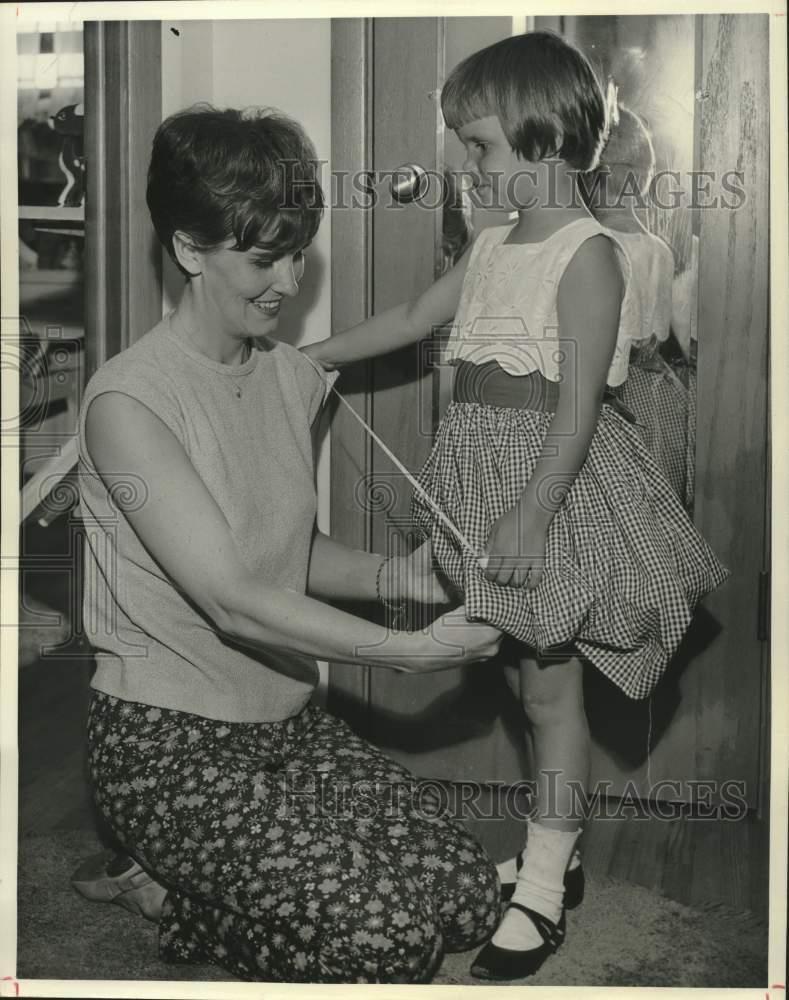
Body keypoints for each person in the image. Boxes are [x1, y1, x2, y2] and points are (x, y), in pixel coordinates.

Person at [303, 31, 729, 981]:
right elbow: (413, 319)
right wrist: (311, 356)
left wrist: (533, 512)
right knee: (512, 678)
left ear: (545, 140)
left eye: (481, 146)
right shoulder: (494, 243)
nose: (468, 166)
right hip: (479, 480)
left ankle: (540, 885)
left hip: (549, 486)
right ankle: (555, 850)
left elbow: (577, 404)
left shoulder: (587, 255)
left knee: (548, 691)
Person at [73, 104, 505, 984]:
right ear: (190, 249)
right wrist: (408, 653)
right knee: (386, 940)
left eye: (298, 253)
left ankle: (210, 882)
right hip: (165, 745)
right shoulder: (129, 404)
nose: (288, 281)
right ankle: (162, 892)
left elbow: (282, 550)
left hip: (284, 721)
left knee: (463, 897)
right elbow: (233, 598)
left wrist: (401, 577)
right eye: (263, 259)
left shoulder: (286, 373)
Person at [588, 102, 692, 503]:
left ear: (595, 176)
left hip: (615, 396)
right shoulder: (661, 250)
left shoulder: (599, 246)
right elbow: (660, 333)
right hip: (657, 393)